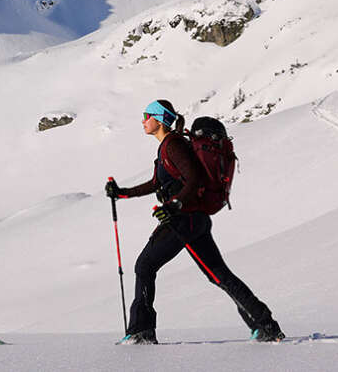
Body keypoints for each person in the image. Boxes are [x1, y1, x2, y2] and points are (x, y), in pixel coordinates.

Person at [105, 99, 284, 344]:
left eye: (147, 116)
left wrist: (175, 204)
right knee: (218, 275)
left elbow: (194, 179)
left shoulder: (174, 145)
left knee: (144, 266)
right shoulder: (168, 146)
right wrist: (121, 192)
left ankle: (141, 332)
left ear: (160, 119)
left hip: (183, 219)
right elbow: (156, 183)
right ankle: (266, 326)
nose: (143, 120)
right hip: (193, 220)